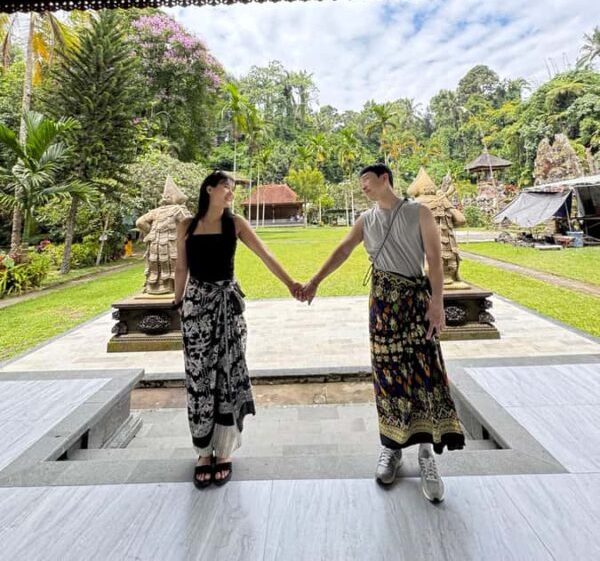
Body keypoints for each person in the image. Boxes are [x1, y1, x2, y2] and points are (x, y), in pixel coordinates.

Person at [299, 163, 464, 502]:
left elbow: (434, 259)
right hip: (383, 306)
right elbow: (343, 250)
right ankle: (391, 448)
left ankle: (426, 455)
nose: (364, 189)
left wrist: (437, 303)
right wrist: (315, 281)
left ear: (384, 179)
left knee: (423, 373)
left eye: (367, 182)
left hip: (416, 304)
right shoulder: (366, 220)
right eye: (361, 184)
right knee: (388, 375)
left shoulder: (419, 213)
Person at [173, 170, 302, 489]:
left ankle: (225, 452)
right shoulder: (186, 226)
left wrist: (291, 284)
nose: (231, 193)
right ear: (209, 190)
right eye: (226, 188)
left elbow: (265, 255)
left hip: (228, 308)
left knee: (229, 376)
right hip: (196, 309)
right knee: (200, 379)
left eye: (232, 189)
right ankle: (203, 452)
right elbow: (181, 267)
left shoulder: (237, 224)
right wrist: (177, 302)